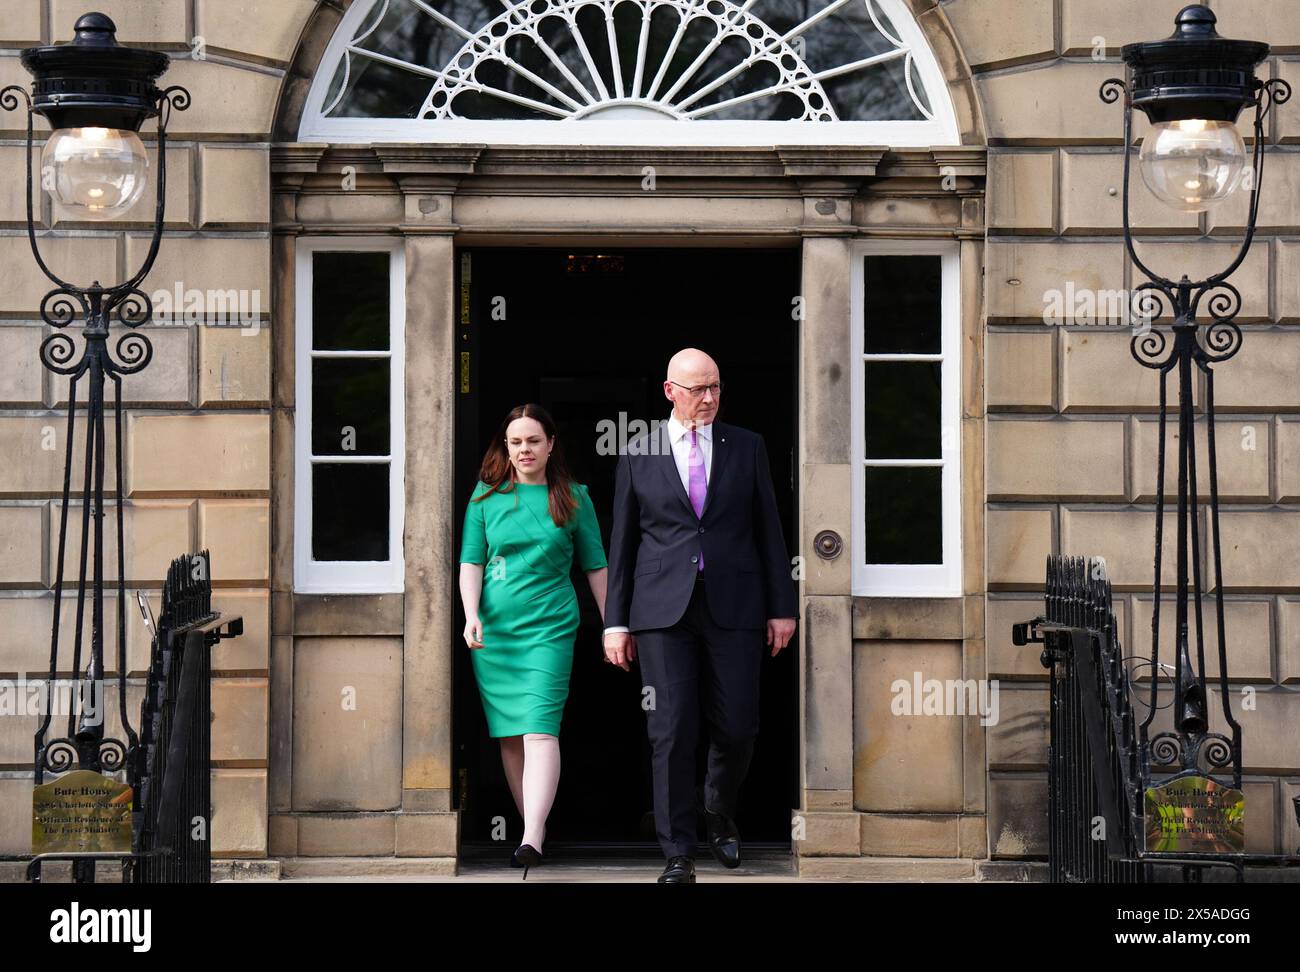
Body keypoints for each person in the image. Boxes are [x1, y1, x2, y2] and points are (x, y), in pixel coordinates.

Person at [603, 348, 797, 883]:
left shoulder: (747, 446)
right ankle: (678, 851)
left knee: (737, 725)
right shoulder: (637, 451)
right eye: (697, 389)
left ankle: (716, 808)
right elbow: (622, 544)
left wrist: (783, 606)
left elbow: (769, 531)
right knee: (670, 728)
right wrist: (615, 622)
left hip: (735, 604)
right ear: (670, 391)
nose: (709, 398)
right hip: (662, 610)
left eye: (715, 387)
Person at [458, 403, 609, 878]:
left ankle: (530, 837)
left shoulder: (574, 497)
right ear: (507, 448)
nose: (525, 449)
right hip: (496, 631)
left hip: (550, 627)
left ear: (550, 445)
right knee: (510, 736)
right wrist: (470, 615)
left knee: (540, 727)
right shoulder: (485, 498)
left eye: (533, 441)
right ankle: (534, 832)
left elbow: (596, 567)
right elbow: (471, 563)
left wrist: (613, 625)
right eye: (516, 442)